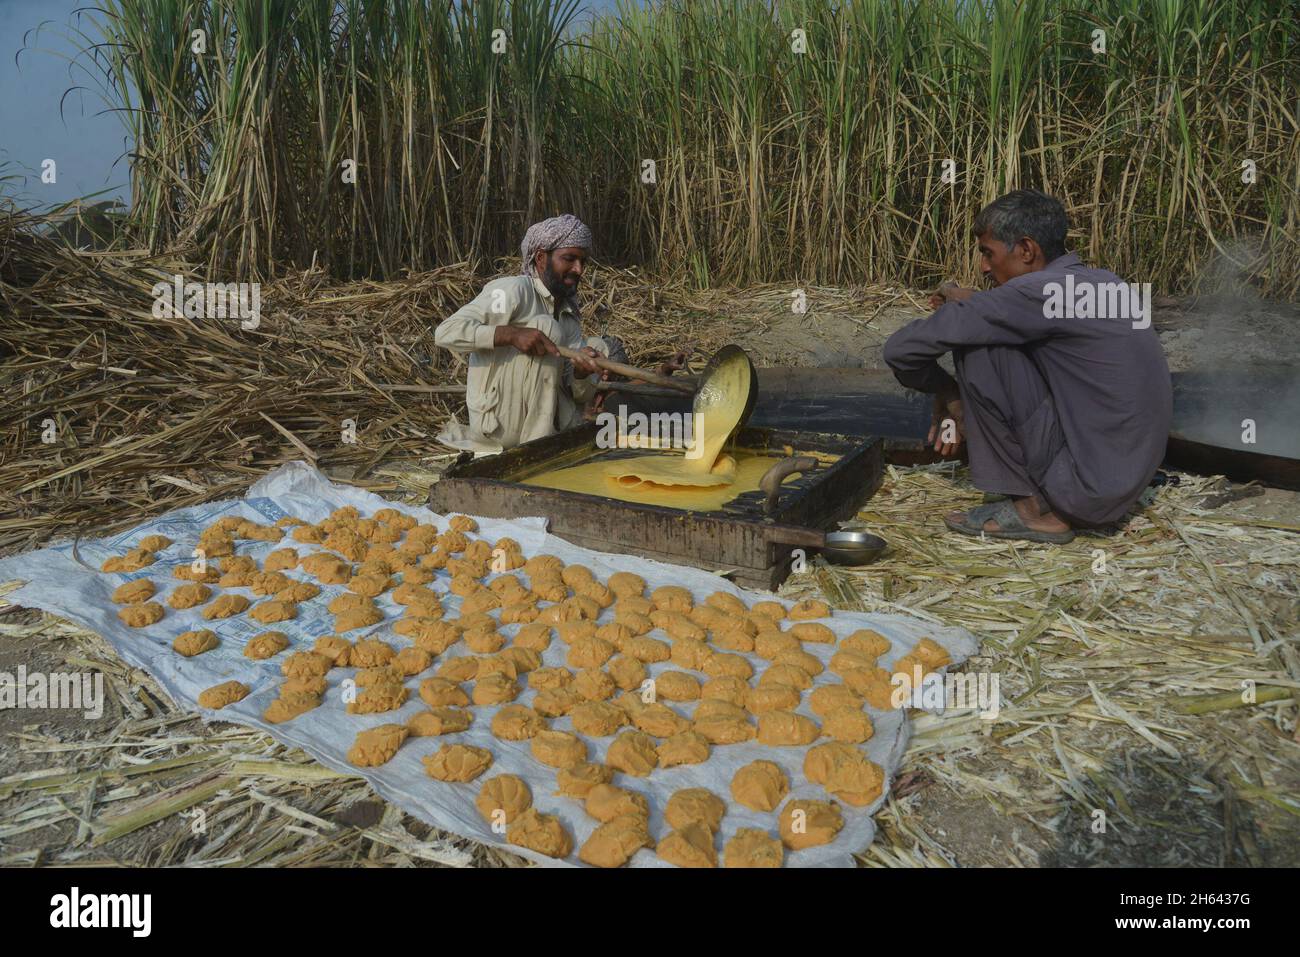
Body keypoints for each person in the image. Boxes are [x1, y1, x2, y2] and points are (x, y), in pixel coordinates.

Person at [883, 190, 1172, 543]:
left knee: (981, 344)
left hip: (1083, 491)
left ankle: (1036, 512)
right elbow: (1026, 306)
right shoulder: (1105, 282)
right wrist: (970, 300)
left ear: (1026, 250)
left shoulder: (1034, 294)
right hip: (1119, 481)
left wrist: (950, 393)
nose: (984, 268)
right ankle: (1047, 500)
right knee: (991, 328)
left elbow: (900, 349)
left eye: (988, 254)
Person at [435, 213, 681, 455]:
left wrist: (580, 372)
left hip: (545, 418)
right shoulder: (511, 290)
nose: (578, 269)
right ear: (541, 258)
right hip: (497, 427)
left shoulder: (567, 312)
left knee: (600, 347)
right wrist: (510, 335)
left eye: (583, 262)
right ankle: (538, 450)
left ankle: (564, 433)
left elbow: (575, 392)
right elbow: (445, 332)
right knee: (547, 328)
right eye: (569, 259)